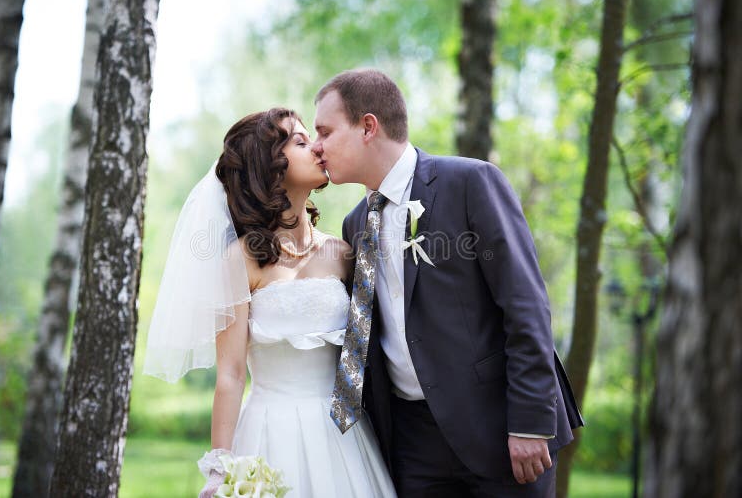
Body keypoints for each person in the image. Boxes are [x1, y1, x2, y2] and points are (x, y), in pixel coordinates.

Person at [312, 69, 584, 497]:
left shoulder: (470, 184)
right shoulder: (355, 224)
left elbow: (525, 306)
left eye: (325, 132)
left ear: (368, 126)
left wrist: (530, 423)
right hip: (411, 444)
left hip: (499, 430)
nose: (316, 146)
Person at [143, 108, 396, 498]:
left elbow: (367, 353)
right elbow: (230, 376)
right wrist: (220, 466)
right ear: (270, 166)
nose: (317, 147)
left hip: (344, 435)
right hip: (268, 432)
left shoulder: (344, 253)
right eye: (299, 141)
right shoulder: (240, 259)